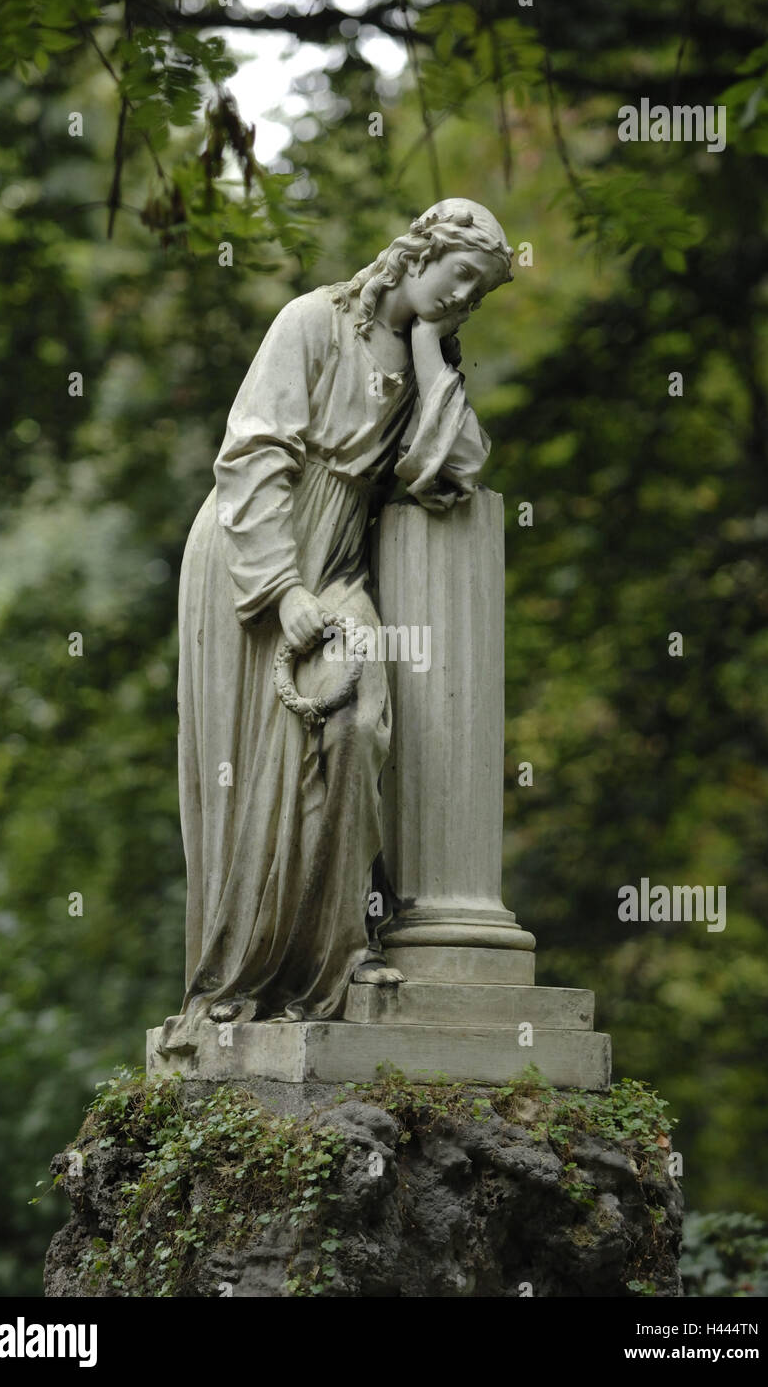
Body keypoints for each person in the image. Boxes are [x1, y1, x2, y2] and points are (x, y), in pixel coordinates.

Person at [159, 198, 513, 1055]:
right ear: (418, 252)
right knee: (257, 776)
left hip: (342, 558)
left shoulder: (432, 356)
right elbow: (251, 455)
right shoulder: (313, 321)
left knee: (355, 721)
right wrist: (279, 588)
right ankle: (246, 975)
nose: (464, 298)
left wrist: (430, 347)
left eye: (479, 294)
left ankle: (338, 957)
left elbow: (455, 468)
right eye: (459, 276)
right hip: (257, 550)